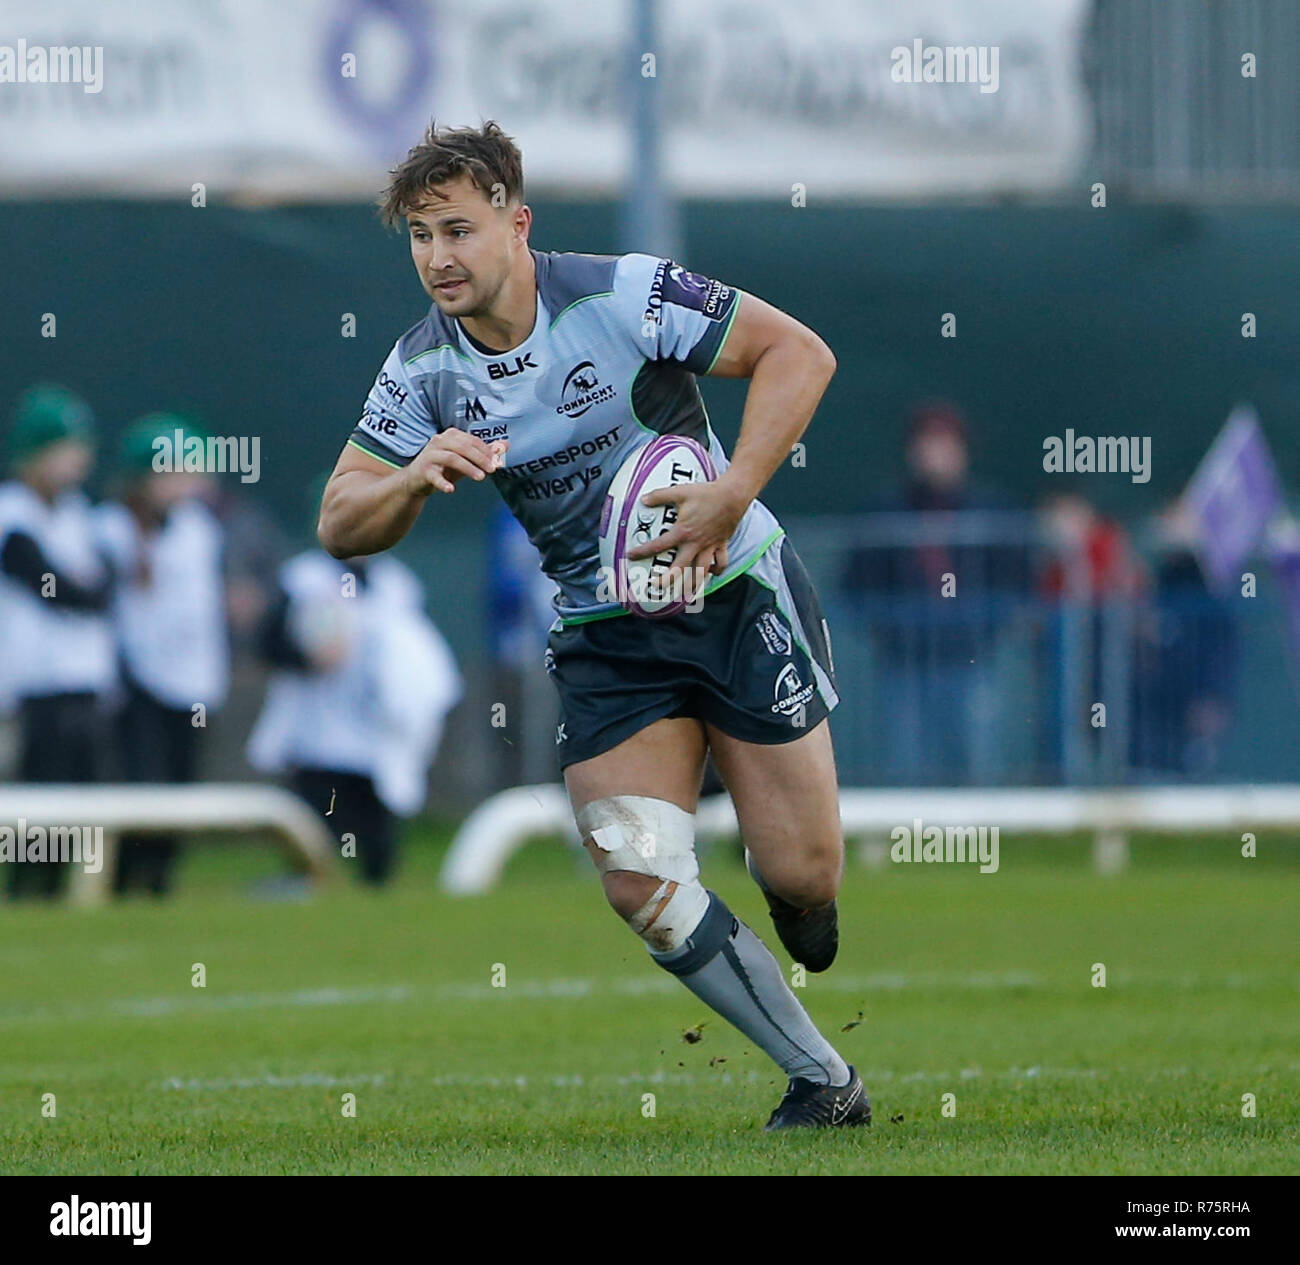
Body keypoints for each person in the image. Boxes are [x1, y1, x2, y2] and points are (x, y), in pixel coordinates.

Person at [317, 121, 866, 1130]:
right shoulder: (421, 371)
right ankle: (822, 1078)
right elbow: (340, 519)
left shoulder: (626, 295)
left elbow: (800, 353)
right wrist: (408, 477)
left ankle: (797, 898)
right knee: (637, 870)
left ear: (516, 226)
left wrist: (734, 488)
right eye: (418, 236)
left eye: (458, 229)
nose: (437, 256)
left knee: (802, 873)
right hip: (607, 632)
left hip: (734, 592)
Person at [249, 481, 462, 886]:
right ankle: (302, 893)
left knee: (378, 838)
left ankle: (374, 902)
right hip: (317, 734)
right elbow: (267, 643)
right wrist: (308, 657)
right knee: (316, 832)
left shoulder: (396, 584)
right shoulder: (302, 579)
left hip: (374, 734)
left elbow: (415, 657)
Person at [95, 415, 231, 895]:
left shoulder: (201, 529)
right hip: (141, 682)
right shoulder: (113, 528)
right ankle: (121, 881)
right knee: (142, 790)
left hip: (194, 683)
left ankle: (159, 886)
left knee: (180, 790)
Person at [0, 385, 114, 898]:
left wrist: (90, 587)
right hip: (35, 685)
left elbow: (104, 585)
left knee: (82, 799)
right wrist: (85, 586)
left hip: (84, 679)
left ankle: (69, 894)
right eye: (63, 449)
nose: (75, 462)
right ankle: (27, 891)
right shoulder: (12, 514)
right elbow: (63, 589)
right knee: (37, 802)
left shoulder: (79, 514)